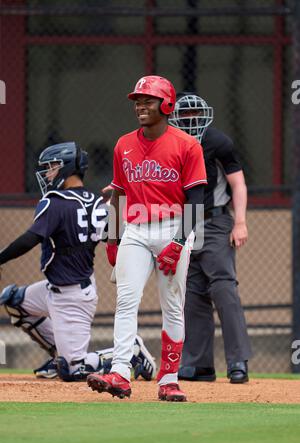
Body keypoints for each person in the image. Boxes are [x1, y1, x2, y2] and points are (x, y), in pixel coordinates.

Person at [87, 75, 207, 401]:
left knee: (173, 306)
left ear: (166, 105)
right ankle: (121, 373)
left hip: (175, 227)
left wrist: (180, 242)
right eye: (137, 100)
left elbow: (197, 201)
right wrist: (112, 240)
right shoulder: (123, 144)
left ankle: (169, 379)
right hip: (136, 230)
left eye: (148, 100)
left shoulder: (187, 145)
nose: (140, 105)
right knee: (126, 301)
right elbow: (118, 196)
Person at [0, 142, 156, 382]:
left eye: (52, 167)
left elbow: (30, 239)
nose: (48, 173)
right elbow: (114, 235)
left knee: (73, 371)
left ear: (68, 169)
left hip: (71, 296)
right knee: (14, 301)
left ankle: (130, 351)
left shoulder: (54, 201)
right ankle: (59, 356)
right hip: (61, 287)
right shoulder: (97, 202)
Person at [169, 93, 252, 383]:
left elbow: (237, 182)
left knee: (223, 288)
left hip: (215, 220)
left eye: (196, 115)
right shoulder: (168, 143)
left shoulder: (217, 141)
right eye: (185, 115)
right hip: (185, 224)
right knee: (192, 293)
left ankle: (237, 361)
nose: (191, 121)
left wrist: (239, 221)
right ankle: (199, 364)